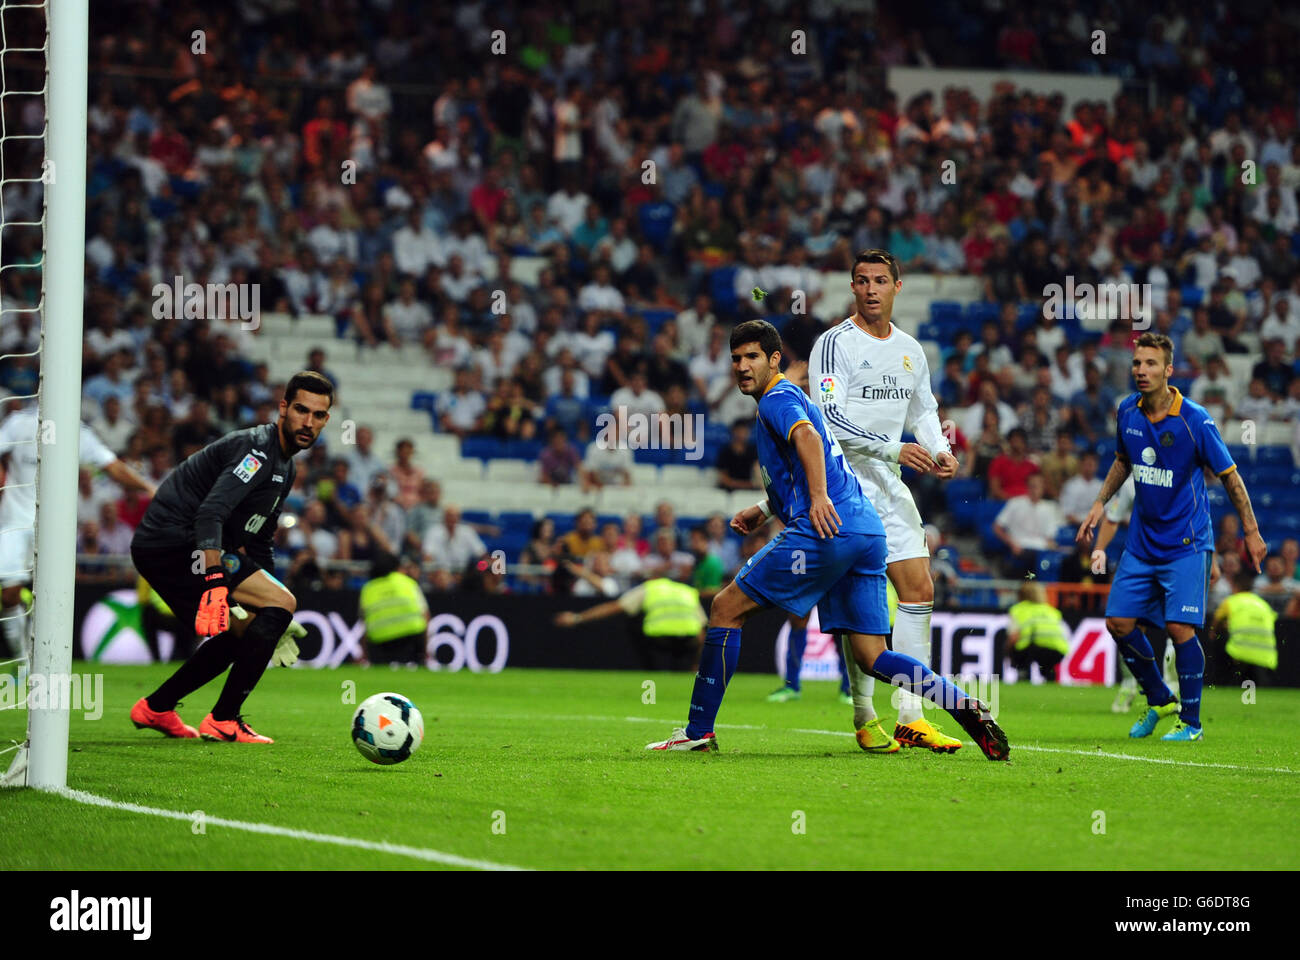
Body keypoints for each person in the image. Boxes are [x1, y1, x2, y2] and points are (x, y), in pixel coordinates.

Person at [646, 319, 1008, 759]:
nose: (742, 366)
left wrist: (817, 498)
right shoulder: (792, 397)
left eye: (752, 357)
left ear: (775, 359)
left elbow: (809, 439)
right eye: (736, 358)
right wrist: (764, 510)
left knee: (724, 608)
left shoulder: (777, 398)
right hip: (866, 530)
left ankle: (697, 730)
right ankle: (961, 702)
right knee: (873, 655)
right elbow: (812, 464)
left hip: (827, 529)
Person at [807, 249, 966, 753]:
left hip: (889, 481)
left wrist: (940, 450)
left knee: (919, 586)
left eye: (880, 280)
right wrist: (897, 447)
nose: (871, 289)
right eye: (861, 280)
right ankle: (864, 714)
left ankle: (911, 716)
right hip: (844, 483)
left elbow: (925, 410)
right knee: (864, 608)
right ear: (852, 287)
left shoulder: (910, 350)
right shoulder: (834, 345)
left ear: (898, 286)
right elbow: (829, 421)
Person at [1077, 333, 1266, 742]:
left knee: (1181, 629)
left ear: (1168, 370)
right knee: (1118, 622)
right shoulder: (1127, 410)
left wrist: (1250, 531)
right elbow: (1122, 461)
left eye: (1150, 363)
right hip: (1142, 544)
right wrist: (1099, 503)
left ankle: (1192, 723)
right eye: (1137, 363)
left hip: (1187, 543)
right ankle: (1160, 698)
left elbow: (1231, 478)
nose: (1141, 370)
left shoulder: (1195, 420)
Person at [127, 371, 333, 744]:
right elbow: (210, 514)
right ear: (283, 407)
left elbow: (259, 542)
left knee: (246, 630)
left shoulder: (286, 467)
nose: (308, 422)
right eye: (301, 410)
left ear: (326, 420)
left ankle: (156, 707)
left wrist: (271, 613)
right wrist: (216, 582)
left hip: (174, 545)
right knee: (280, 604)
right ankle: (223, 720)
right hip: (173, 540)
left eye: (318, 415)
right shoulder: (256, 451)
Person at [0, 404, 155, 661]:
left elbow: (113, 467)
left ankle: (48, 659)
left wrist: (149, 488)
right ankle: (21, 658)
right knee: (9, 593)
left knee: (51, 596)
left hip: (54, 527)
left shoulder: (77, 432)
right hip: (13, 522)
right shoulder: (18, 422)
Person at [554, 576, 706, 672]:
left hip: (659, 640)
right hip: (688, 641)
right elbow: (702, 632)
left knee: (633, 619)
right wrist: (697, 663)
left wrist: (578, 618)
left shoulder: (650, 588)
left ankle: (651, 677)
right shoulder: (687, 591)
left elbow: (614, 607)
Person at [358, 550, 430, 667]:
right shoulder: (408, 582)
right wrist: (425, 650)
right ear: (396, 567)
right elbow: (425, 616)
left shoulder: (368, 589)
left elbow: (364, 624)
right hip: (411, 638)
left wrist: (364, 654)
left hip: (380, 642)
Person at [1211, 568, 1278, 685]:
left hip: (1239, 652)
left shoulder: (1232, 601)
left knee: (1237, 687)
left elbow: (1216, 621)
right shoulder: (1264, 605)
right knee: (1258, 693)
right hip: (1265, 656)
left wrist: (1213, 633)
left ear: (1235, 586)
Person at [1005, 581, 1069, 682]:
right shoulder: (1052, 611)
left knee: (1016, 650)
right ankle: (1050, 678)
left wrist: (1008, 651)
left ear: (1021, 595)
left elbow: (1013, 637)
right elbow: (1065, 634)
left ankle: (1023, 674)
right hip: (1057, 650)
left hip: (1031, 649)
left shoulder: (1018, 610)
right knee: (1048, 667)